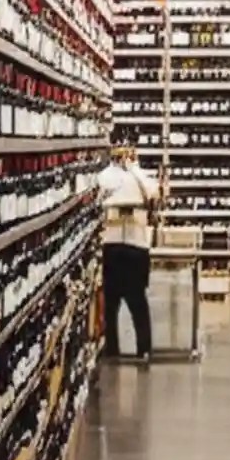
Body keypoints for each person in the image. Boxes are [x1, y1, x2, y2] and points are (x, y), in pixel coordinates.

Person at [98, 141, 160, 359]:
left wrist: (134, 169)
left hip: (135, 244)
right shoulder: (107, 175)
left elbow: (154, 192)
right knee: (112, 301)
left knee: (137, 301)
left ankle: (144, 348)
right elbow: (101, 188)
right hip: (113, 243)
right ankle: (112, 348)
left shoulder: (140, 176)